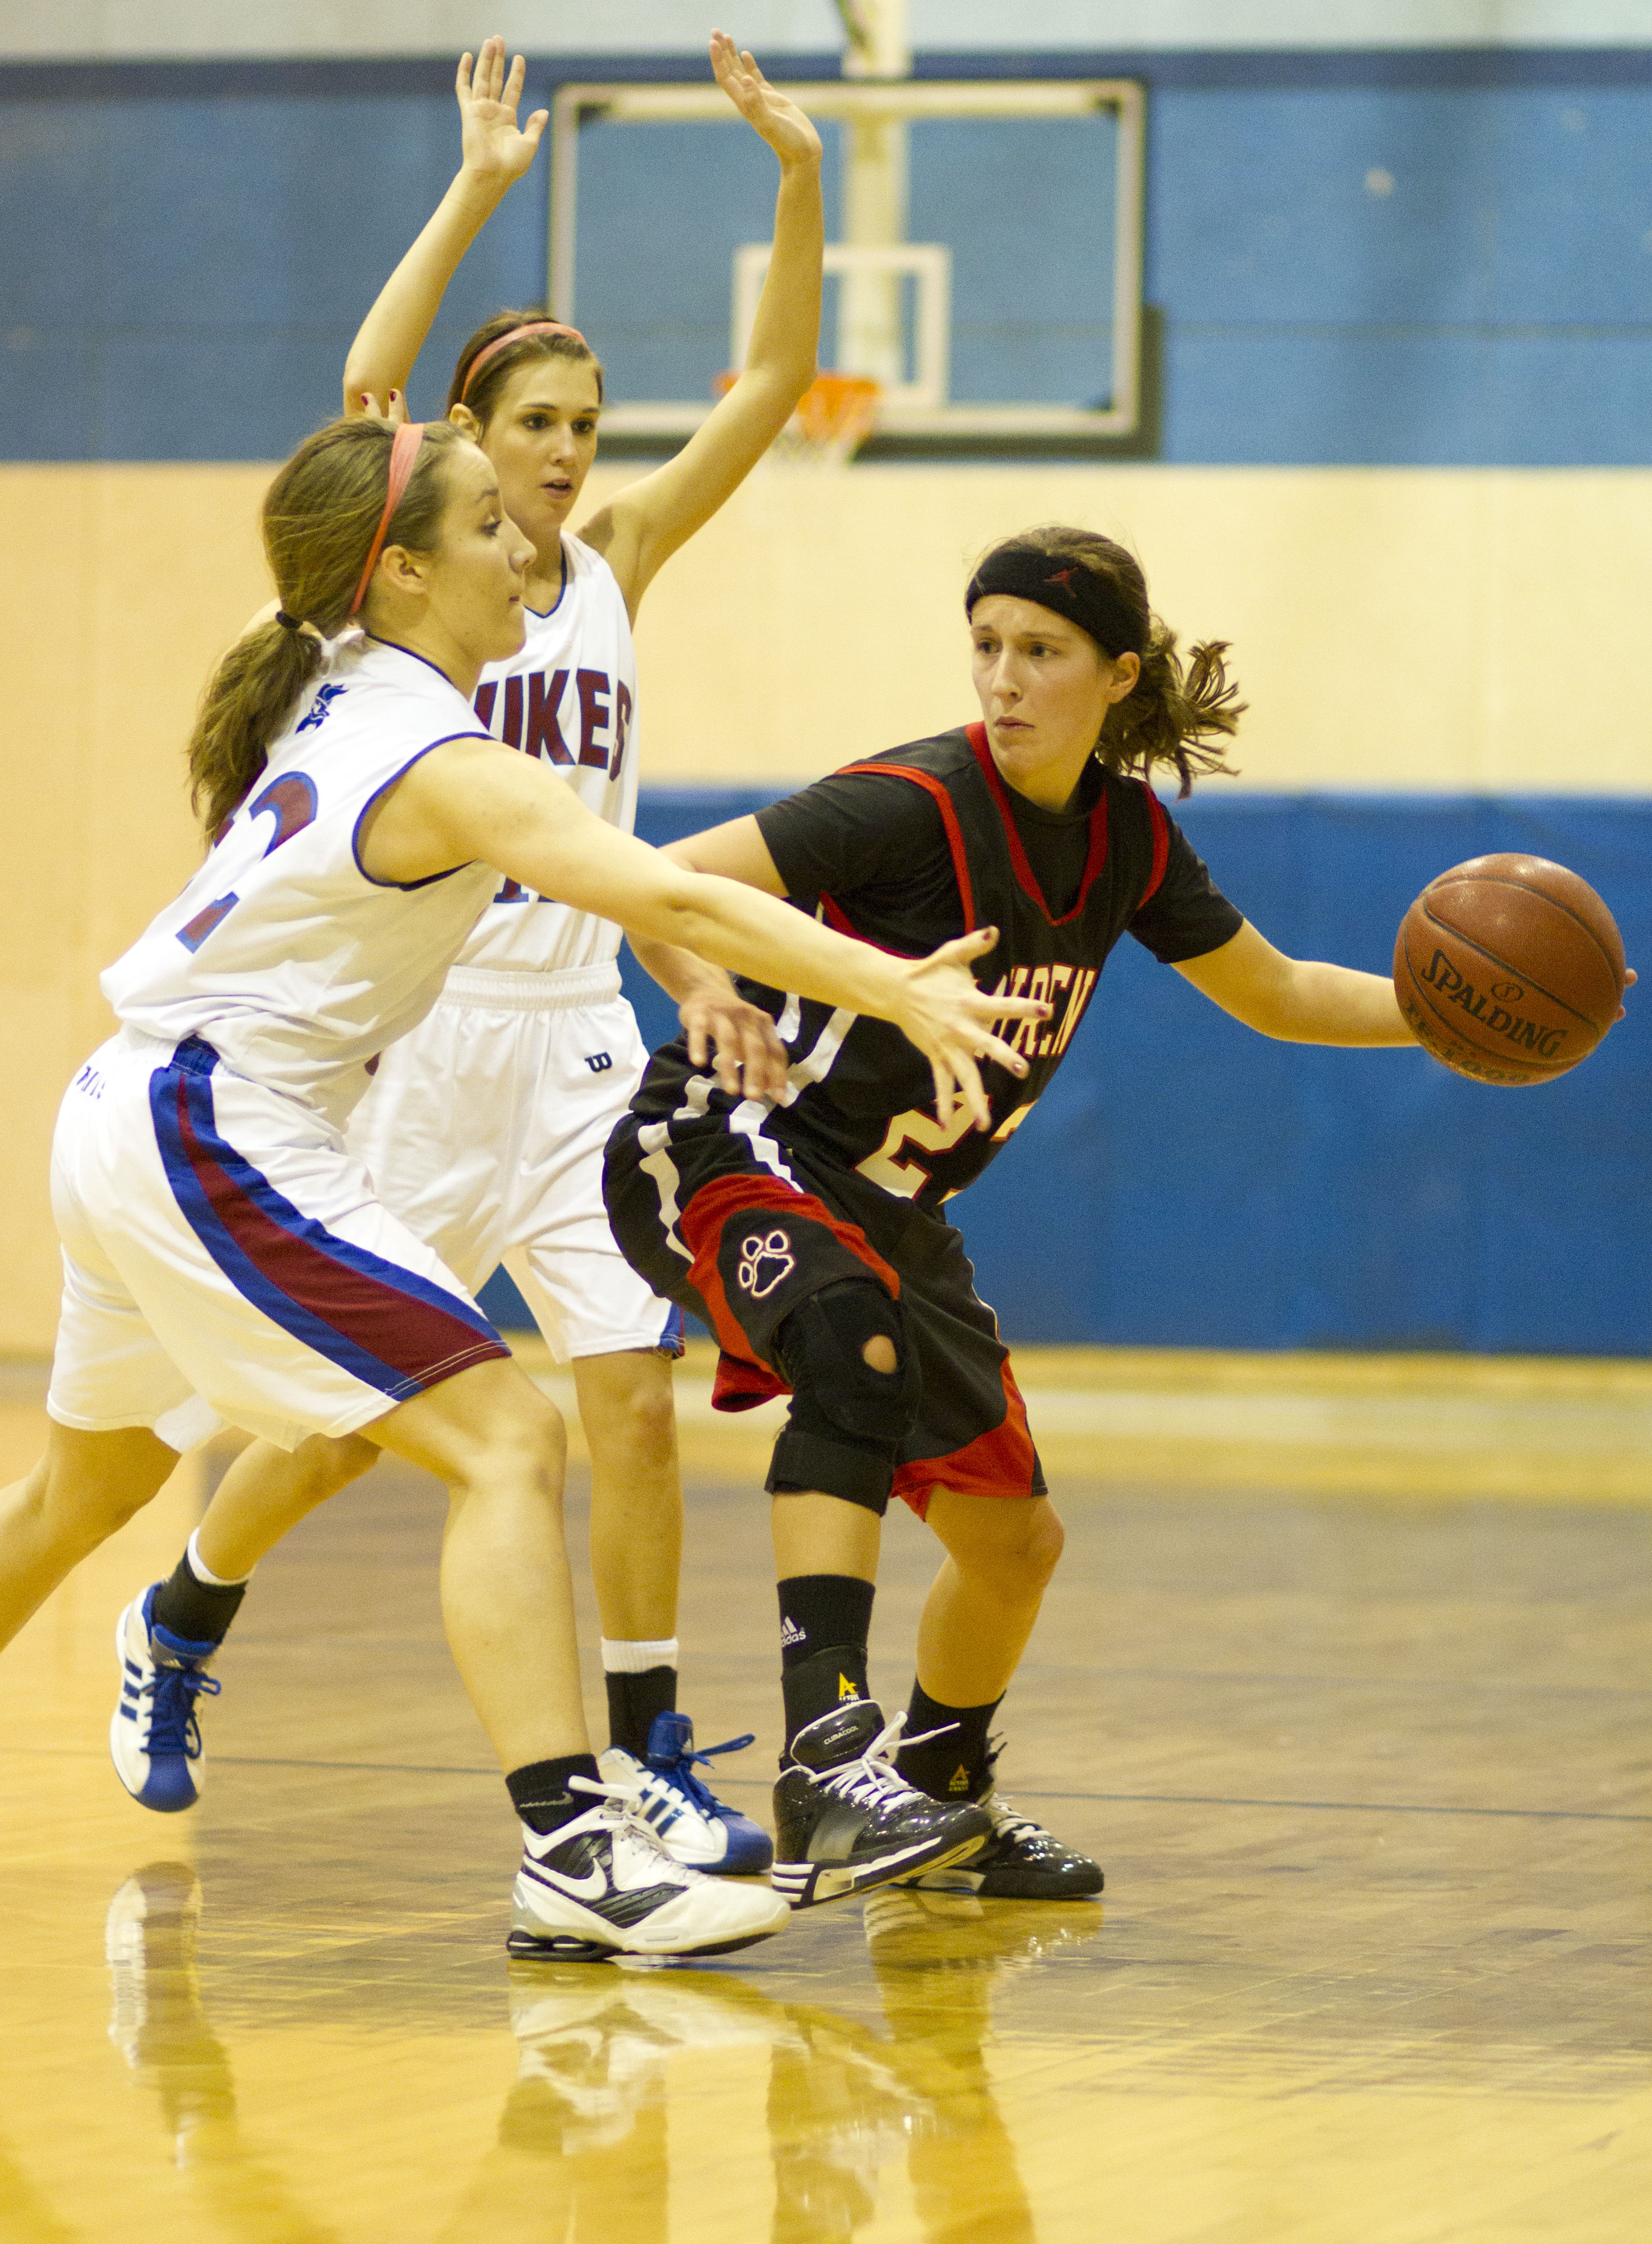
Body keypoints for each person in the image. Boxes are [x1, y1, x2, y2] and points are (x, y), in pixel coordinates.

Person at [0, 413, 1043, 1961]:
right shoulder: (431, 748)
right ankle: (573, 1845)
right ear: (405, 569)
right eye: (489, 521)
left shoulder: (347, 694)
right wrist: (896, 987)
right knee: (505, 1432)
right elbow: (675, 890)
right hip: (213, 1122)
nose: (524, 545)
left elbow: (651, 901)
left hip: (132, 1107)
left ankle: (579, 1822)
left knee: (84, 1489)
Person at [125, 33, 823, 1872]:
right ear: (469, 445)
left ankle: (648, 1745)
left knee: (634, 1403)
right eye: (540, 425)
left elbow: (768, 381)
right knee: (364, 1429)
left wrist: (802, 177)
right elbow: (366, 385)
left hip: (572, 1035)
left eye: (591, 424)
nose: (575, 452)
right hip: (417, 1037)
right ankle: (184, 1612)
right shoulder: (411, 570)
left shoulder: (614, 562)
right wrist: (481, 186)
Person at [602, 524, 1423, 1908]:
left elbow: (1276, 992)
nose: (1003, 677)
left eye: (1039, 651)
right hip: (729, 1141)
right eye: (986, 645)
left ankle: (937, 1795)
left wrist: (1443, 1024)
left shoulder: (1128, 841)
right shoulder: (910, 804)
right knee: (851, 1347)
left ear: (1117, 674)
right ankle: (825, 1757)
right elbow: (660, 880)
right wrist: (699, 984)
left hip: (892, 1213)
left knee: (1015, 1543)